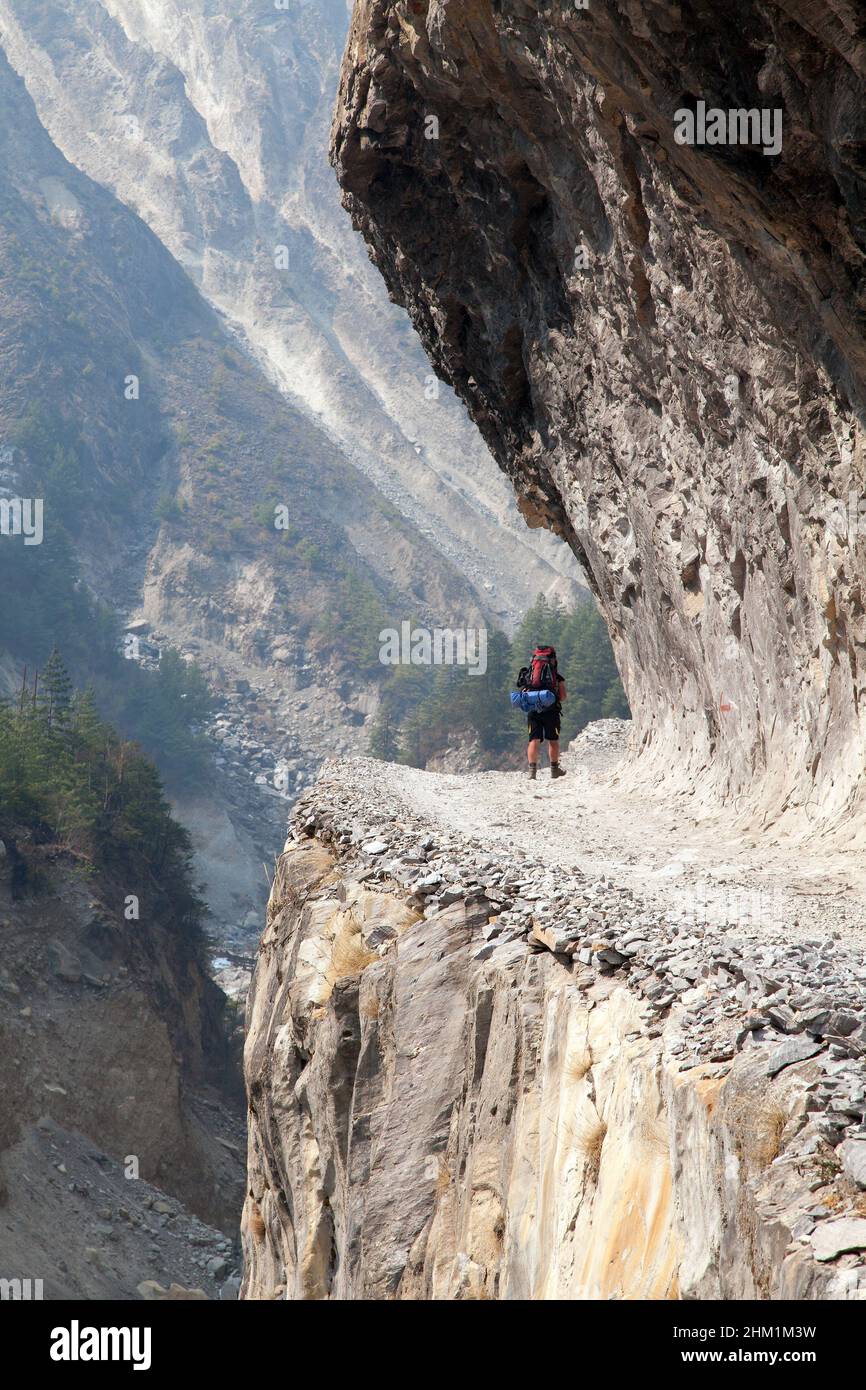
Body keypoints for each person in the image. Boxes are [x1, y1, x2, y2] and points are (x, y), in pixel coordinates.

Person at [527, 648, 566, 780]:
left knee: (534, 740)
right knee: (553, 741)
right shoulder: (557, 677)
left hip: (533, 711)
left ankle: (532, 772)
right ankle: (554, 770)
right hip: (551, 712)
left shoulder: (530, 675)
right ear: (553, 660)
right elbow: (563, 696)